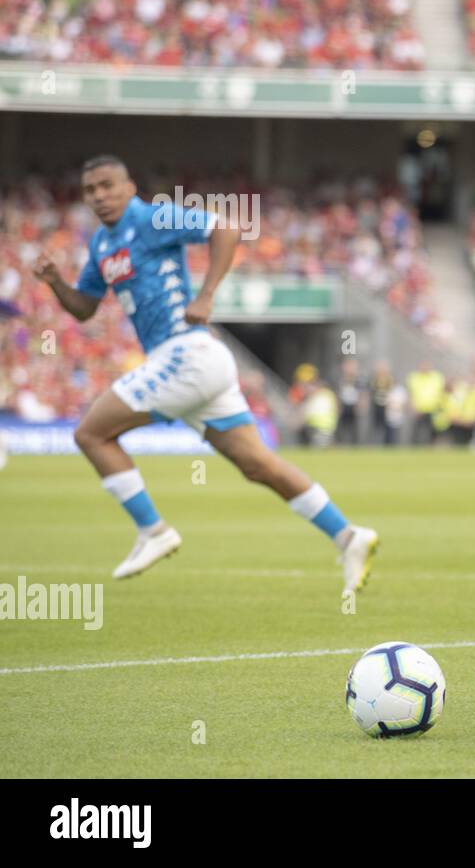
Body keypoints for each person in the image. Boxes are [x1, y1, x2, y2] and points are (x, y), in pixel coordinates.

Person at [31, 155, 378, 595]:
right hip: (188, 364)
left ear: (129, 185)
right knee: (258, 465)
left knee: (91, 434)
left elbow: (226, 228)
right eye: (90, 190)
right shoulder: (102, 244)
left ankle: (153, 530)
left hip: (185, 352)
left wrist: (207, 294)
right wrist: (55, 282)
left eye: (107, 185)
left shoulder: (152, 216)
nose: (99, 195)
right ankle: (348, 536)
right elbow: (85, 307)